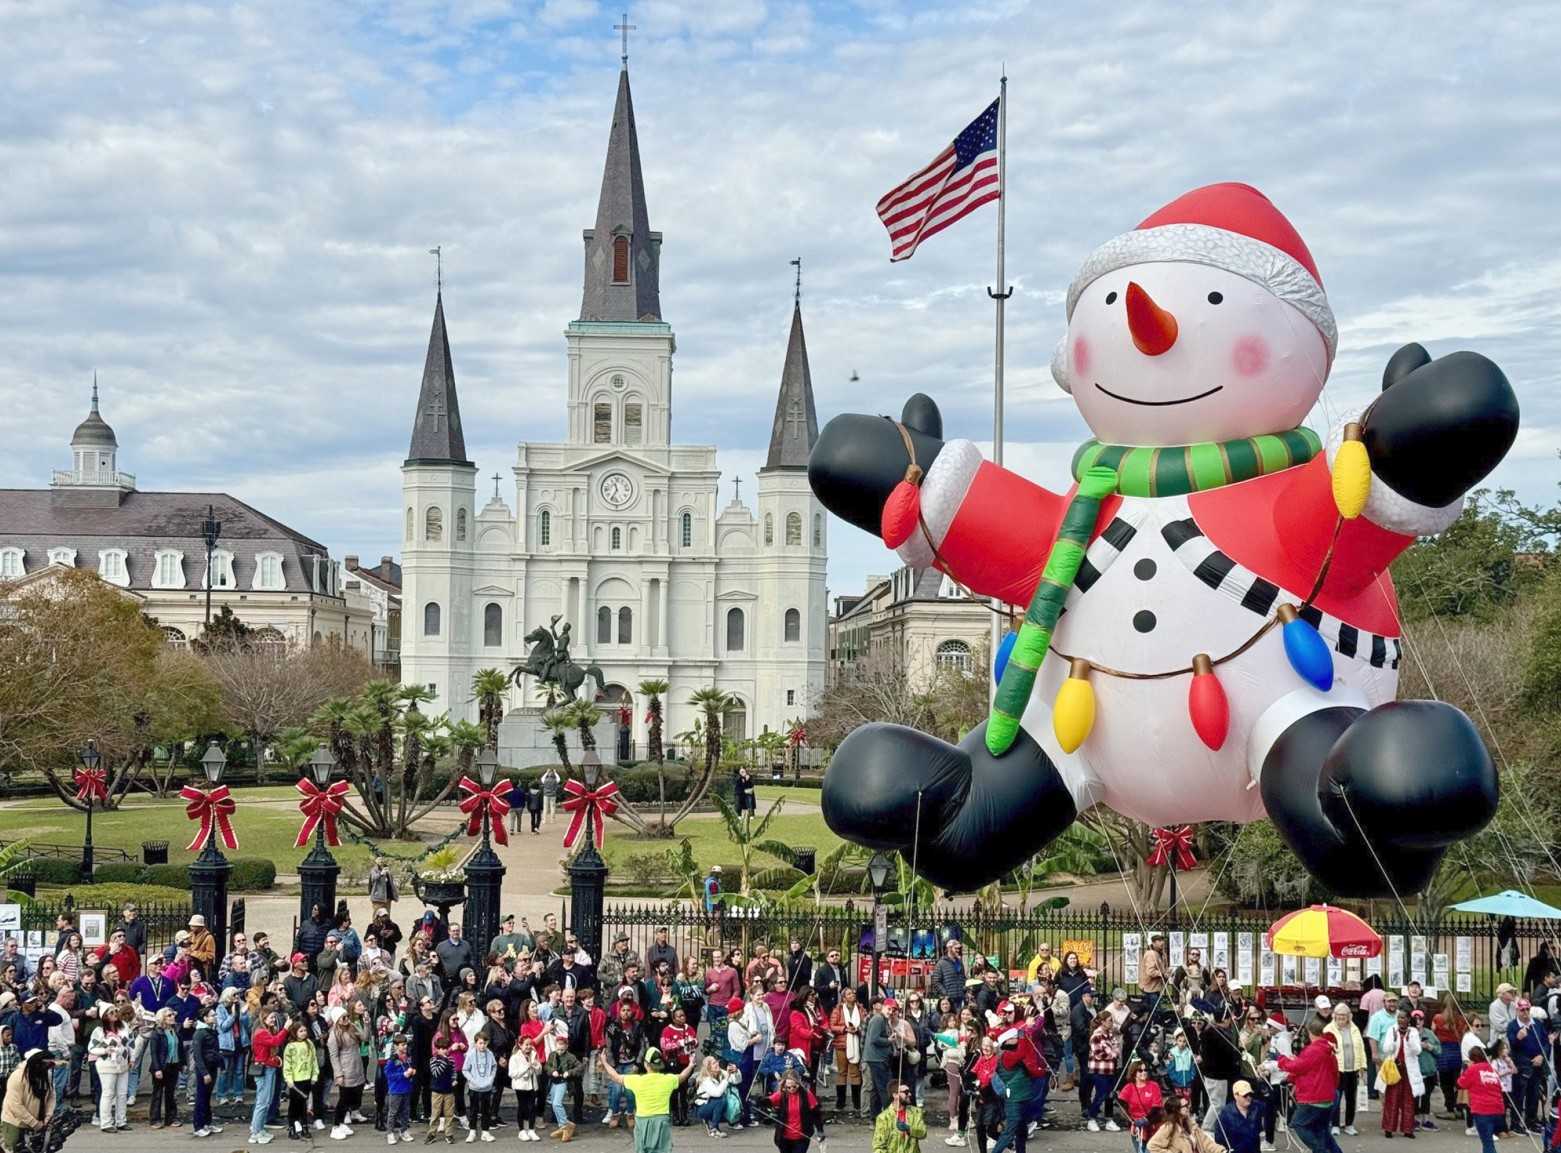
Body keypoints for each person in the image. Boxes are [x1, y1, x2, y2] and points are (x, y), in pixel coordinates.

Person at [597, 1047, 699, 1153]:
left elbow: (616, 1077)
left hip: (643, 1121)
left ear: (646, 1064)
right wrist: (691, 1064)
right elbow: (683, 1076)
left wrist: (604, 1062)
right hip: (661, 1121)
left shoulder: (637, 1081)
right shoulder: (668, 1079)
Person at [1277, 1017, 1343, 1153]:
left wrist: (1282, 1059)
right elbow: (1318, 1071)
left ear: (1310, 1032)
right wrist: (1291, 1079)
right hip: (1328, 1097)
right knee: (1322, 1131)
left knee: (1298, 1124)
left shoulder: (1314, 1050)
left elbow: (1296, 1066)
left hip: (1313, 1098)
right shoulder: (1328, 1049)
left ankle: (1320, 1151)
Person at [1375, 1004, 1421, 1137]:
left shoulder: (1413, 1032)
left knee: (1408, 1100)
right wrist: (1395, 1040)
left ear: (1408, 1019)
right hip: (1395, 1068)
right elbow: (1386, 1049)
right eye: (1399, 1017)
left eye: (1403, 1018)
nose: (1401, 1020)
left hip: (1408, 1069)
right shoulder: (1392, 1030)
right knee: (1392, 1099)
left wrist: (1409, 1041)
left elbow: (1417, 1051)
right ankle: (1389, 1128)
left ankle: (1408, 1129)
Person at [86, 1004, 132, 1133]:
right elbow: (91, 1048)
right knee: (108, 1093)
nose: (115, 1014)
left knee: (122, 1094)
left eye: (116, 1011)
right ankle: (106, 1122)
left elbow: (130, 1043)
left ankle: (121, 1121)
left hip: (122, 1063)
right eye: (111, 1012)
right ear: (104, 1016)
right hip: (106, 1064)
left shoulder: (124, 1027)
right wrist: (105, 1050)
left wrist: (132, 1058)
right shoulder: (99, 1031)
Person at [0, 1050, 54, 1153]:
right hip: (15, 1122)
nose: (47, 1068)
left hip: (37, 1121)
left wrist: (48, 1116)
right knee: (12, 1149)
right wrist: (34, 1123)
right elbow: (15, 1106)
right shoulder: (17, 1077)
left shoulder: (46, 1076)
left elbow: (51, 1096)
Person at [1323, 1001, 1364, 1136]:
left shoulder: (1354, 1029)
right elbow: (1326, 1051)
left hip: (1352, 1068)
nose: (1341, 1020)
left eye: (1344, 1017)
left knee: (1351, 1097)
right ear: (1334, 1016)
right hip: (1337, 1070)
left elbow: (1360, 1048)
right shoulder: (1329, 1029)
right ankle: (1334, 1124)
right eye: (1338, 1017)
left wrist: (1362, 1066)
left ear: (1349, 1017)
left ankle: (1349, 1124)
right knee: (1336, 1097)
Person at [249, 1008, 289, 1145]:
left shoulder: (265, 1031)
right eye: (271, 1017)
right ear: (264, 1018)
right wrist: (286, 1029)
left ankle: (259, 1128)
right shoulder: (261, 1033)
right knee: (262, 1102)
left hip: (269, 1068)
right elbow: (275, 1041)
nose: (273, 1020)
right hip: (264, 1070)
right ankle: (255, 1132)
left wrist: (275, 1059)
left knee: (266, 1101)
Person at [1458, 1045, 1505, 1153]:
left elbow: (1461, 1083)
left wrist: (1466, 1069)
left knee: (1487, 1143)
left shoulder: (1473, 1069)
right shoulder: (1492, 1069)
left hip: (1482, 1110)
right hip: (1497, 1109)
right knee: (1489, 1142)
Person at [770, 1067, 825, 1153]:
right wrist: (760, 1101)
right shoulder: (781, 1094)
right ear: (784, 1085)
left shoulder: (807, 1094)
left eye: (794, 1086)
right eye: (788, 1087)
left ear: (799, 1083)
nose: (791, 1089)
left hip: (802, 1137)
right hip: (784, 1138)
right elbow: (769, 1101)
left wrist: (820, 1130)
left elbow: (816, 1114)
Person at [147, 1004, 183, 1129]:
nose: (172, 1017)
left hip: (173, 1065)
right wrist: (157, 1069)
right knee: (157, 1093)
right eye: (169, 1015)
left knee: (171, 1093)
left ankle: (171, 1118)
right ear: (162, 1018)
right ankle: (155, 1119)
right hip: (161, 1067)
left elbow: (179, 1048)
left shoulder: (175, 1030)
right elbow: (154, 1052)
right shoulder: (157, 1033)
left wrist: (181, 1064)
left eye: (173, 1014)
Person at [1145, 1095, 1222, 1153]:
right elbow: (1152, 1146)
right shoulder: (1168, 1127)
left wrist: (1221, 1151)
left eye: (1188, 1104)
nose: (1188, 1107)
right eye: (1185, 1106)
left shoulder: (1190, 1123)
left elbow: (1206, 1142)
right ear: (1176, 1109)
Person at [463, 1031, 499, 1143]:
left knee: (486, 1111)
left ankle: (485, 1132)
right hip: (474, 1088)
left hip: (487, 1087)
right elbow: (465, 1069)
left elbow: (494, 1067)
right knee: (473, 1111)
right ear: (475, 1043)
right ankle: (472, 1132)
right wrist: (472, 1080)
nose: (482, 1045)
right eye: (480, 1043)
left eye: (484, 1043)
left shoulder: (490, 1054)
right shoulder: (471, 1054)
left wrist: (491, 1079)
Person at [544, 1035, 582, 1142]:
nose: (559, 1051)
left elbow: (580, 1067)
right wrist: (552, 1071)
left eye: (562, 1049)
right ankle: (563, 1125)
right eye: (558, 1049)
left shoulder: (570, 1057)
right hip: (554, 1082)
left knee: (557, 1103)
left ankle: (566, 1124)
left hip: (563, 1082)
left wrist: (569, 1072)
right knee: (552, 1103)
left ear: (566, 1047)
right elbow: (547, 1066)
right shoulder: (552, 1055)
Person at [873, 1078, 927, 1153]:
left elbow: (923, 1133)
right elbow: (878, 1146)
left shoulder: (916, 1112)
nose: (910, 1094)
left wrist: (909, 1129)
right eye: (906, 1092)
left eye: (909, 1091)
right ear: (895, 1095)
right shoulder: (883, 1118)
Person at [692, 1056, 739, 1137]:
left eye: (716, 1061)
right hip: (702, 1109)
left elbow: (736, 1081)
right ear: (708, 1068)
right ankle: (715, 1128)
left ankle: (712, 1123)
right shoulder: (705, 1080)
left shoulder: (720, 1072)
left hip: (710, 1103)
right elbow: (717, 1093)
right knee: (721, 1100)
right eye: (714, 1063)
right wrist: (727, 1078)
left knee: (724, 1100)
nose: (717, 1064)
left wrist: (736, 1071)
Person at [1215, 1079, 1265, 1153]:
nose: (1248, 1097)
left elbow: (1271, 1106)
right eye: (1245, 1095)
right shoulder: (1226, 1114)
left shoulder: (1257, 1107)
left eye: (1250, 1094)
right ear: (1235, 1095)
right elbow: (1219, 1138)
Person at [509, 1034, 543, 1143]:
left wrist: (536, 1065)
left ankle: (531, 1130)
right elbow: (512, 1074)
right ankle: (522, 1130)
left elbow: (539, 1071)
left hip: (532, 1085)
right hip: (521, 1086)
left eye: (530, 1044)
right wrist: (526, 1068)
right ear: (520, 1045)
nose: (528, 1047)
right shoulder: (514, 1057)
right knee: (523, 1107)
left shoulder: (534, 1054)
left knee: (532, 1107)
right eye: (526, 1044)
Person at [385, 1035, 417, 1145]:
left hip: (407, 1088)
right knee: (393, 1113)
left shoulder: (408, 1057)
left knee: (405, 1112)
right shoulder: (392, 1059)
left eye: (406, 1044)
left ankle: (403, 1131)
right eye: (402, 1045)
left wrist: (412, 1071)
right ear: (396, 1046)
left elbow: (410, 1067)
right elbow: (388, 1074)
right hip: (396, 1090)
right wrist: (403, 1074)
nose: (405, 1046)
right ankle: (390, 1133)